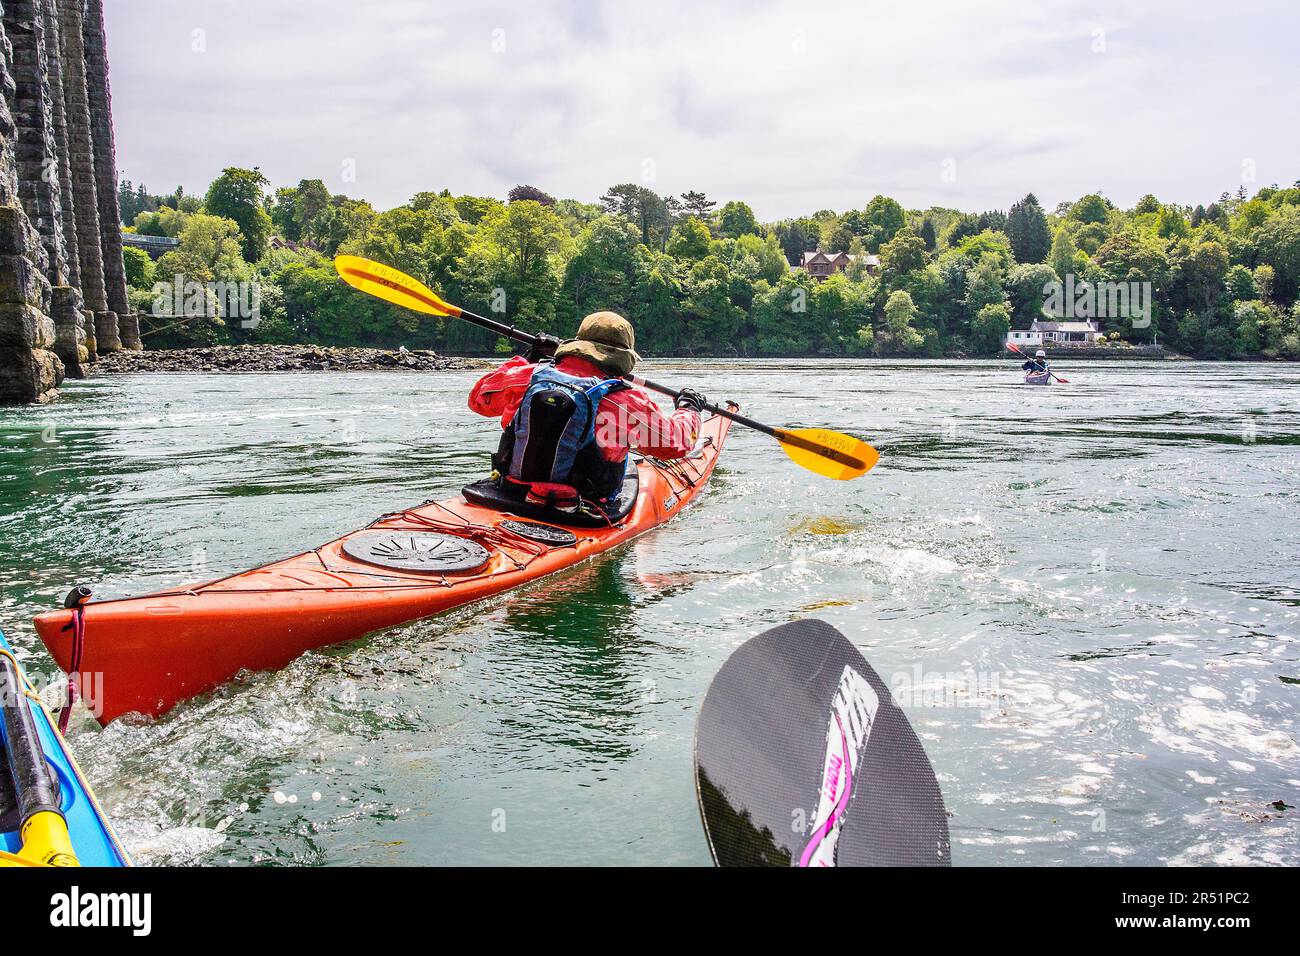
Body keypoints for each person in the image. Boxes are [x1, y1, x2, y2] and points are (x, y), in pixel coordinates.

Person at [468, 311, 705, 516]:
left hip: (511, 493)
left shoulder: (528, 376)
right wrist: (689, 409)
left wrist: (529, 358)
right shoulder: (626, 401)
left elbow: (478, 400)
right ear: (623, 357)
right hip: (581, 508)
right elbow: (676, 445)